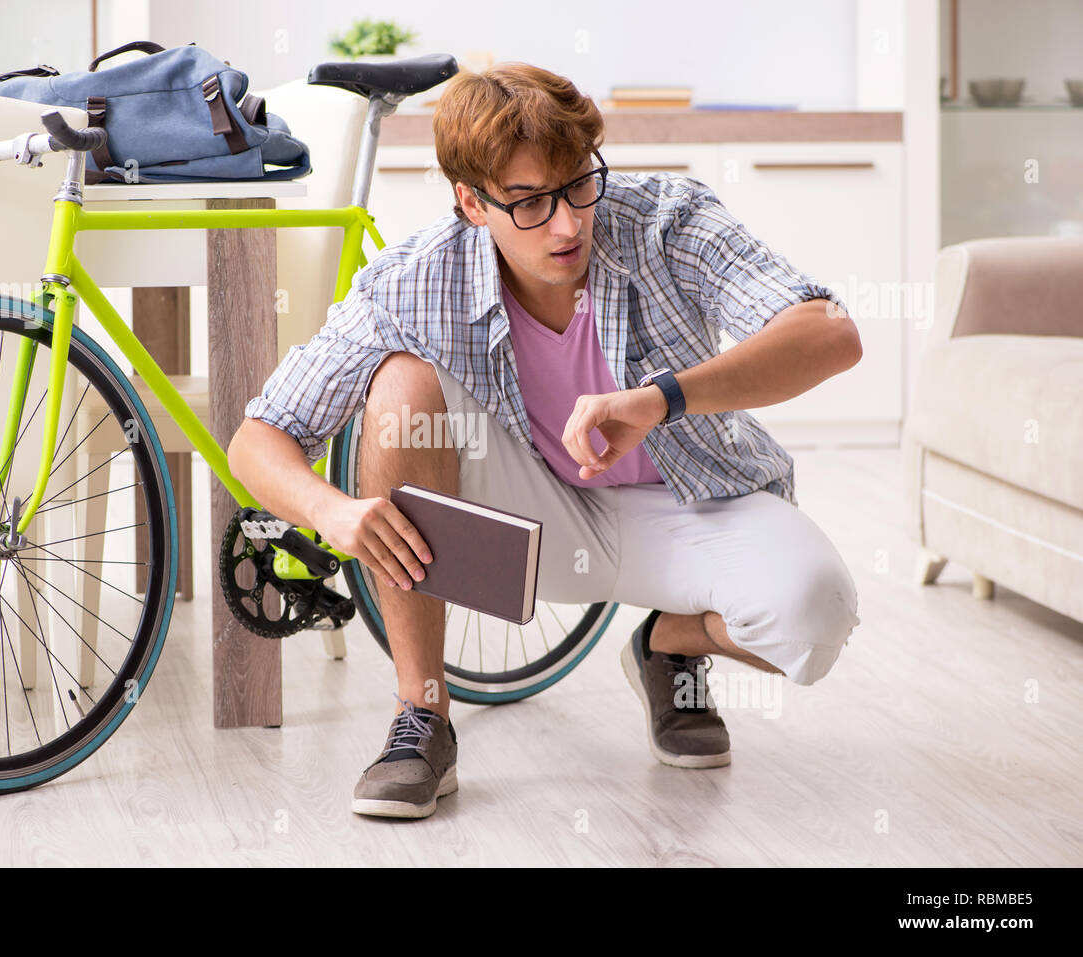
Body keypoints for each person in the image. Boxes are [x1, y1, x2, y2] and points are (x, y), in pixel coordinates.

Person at [227, 62, 863, 820]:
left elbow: (831, 334)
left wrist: (663, 399)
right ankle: (422, 712)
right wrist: (332, 513)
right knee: (399, 390)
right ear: (471, 201)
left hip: (692, 504)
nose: (566, 224)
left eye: (575, 185)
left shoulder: (666, 220)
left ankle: (669, 644)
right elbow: (260, 436)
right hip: (535, 514)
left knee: (816, 613)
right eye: (528, 202)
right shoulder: (414, 279)